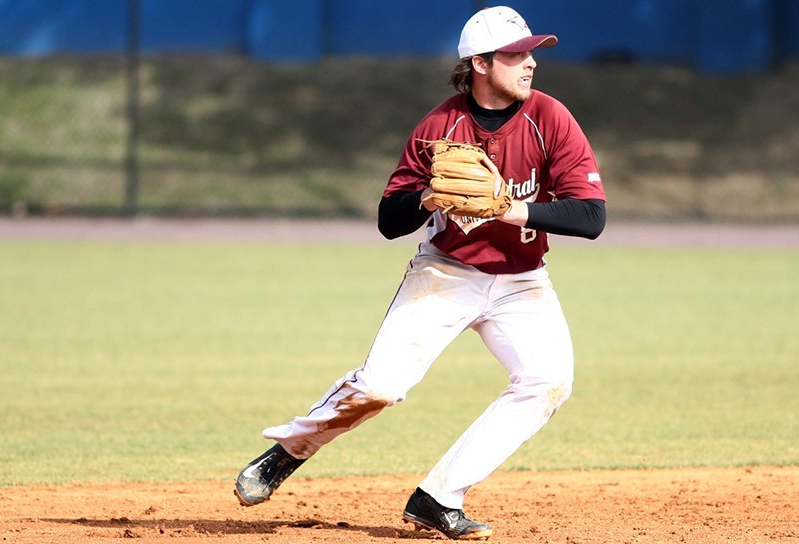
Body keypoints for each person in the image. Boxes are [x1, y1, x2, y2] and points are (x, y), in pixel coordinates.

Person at [234, 6, 606, 541]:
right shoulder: (440, 127)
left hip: (523, 281)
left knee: (547, 382)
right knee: (382, 387)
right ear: (479, 63)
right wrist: (428, 196)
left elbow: (591, 217)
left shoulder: (550, 118)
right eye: (515, 54)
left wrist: (504, 206)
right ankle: (288, 451)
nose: (530, 64)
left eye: (531, 53)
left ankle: (438, 497)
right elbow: (390, 221)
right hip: (447, 273)